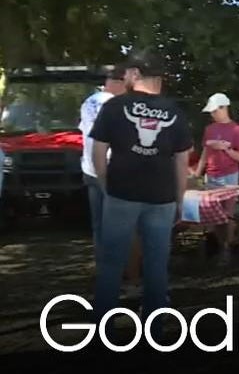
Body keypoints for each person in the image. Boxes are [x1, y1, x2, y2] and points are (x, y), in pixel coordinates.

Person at [90, 50, 193, 340]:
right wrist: (180, 198)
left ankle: (103, 329)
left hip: (121, 193)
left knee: (111, 262)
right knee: (157, 263)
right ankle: (155, 328)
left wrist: (105, 184)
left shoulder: (114, 106)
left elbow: (98, 151)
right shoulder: (174, 111)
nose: (123, 78)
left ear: (135, 74)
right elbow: (182, 160)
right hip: (161, 197)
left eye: (126, 73)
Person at [79, 65, 144, 296]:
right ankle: (132, 278)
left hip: (90, 169)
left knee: (99, 227)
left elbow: (85, 134)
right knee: (127, 225)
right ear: (118, 82)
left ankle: (106, 276)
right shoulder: (120, 105)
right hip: (115, 170)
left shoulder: (88, 103)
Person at [194, 93, 239, 263]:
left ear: (224, 108)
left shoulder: (236, 129)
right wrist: (198, 172)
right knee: (212, 213)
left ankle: (228, 248)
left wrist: (226, 149)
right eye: (211, 112)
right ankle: (216, 246)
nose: (213, 115)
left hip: (230, 174)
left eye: (215, 111)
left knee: (228, 213)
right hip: (212, 174)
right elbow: (205, 151)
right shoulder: (209, 129)